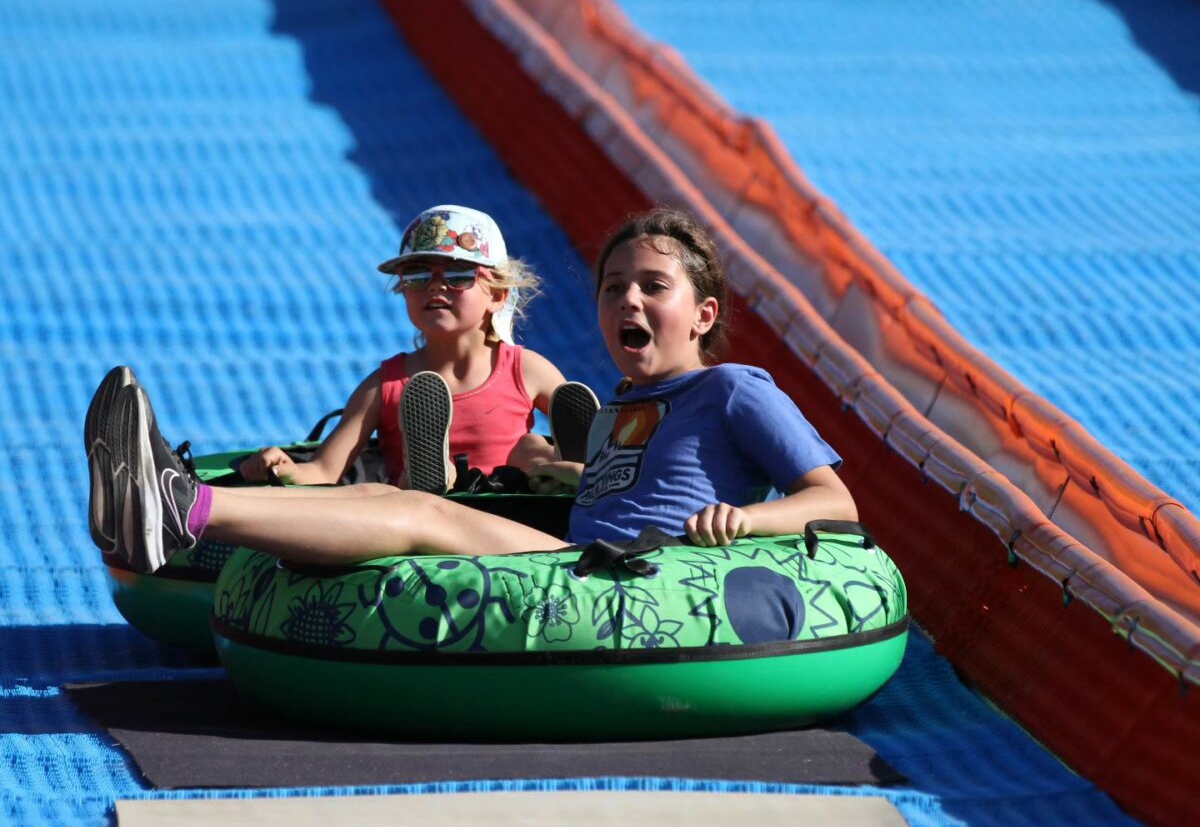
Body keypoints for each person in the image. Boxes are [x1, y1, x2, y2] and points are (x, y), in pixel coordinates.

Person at [86, 207, 856, 575]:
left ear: (704, 314)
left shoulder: (733, 389)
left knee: (422, 513)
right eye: (613, 287)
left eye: (653, 286)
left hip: (644, 573)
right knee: (380, 498)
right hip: (586, 555)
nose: (627, 299)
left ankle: (184, 508)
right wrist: (557, 470)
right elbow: (621, 491)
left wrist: (746, 519)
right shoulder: (627, 403)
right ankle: (180, 507)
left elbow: (835, 502)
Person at [237, 203, 580, 494]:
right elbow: (325, 471)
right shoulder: (386, 385)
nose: (435, 286)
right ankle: (431, 477)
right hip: (424, 520)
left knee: (532, 448)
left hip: (514, 506)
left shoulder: (526, 370)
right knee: (425, 479)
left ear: (498, 295)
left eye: (458, 274)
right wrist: (283, 469)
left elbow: (575, 412)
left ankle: (566, 471)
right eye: (416, 276)